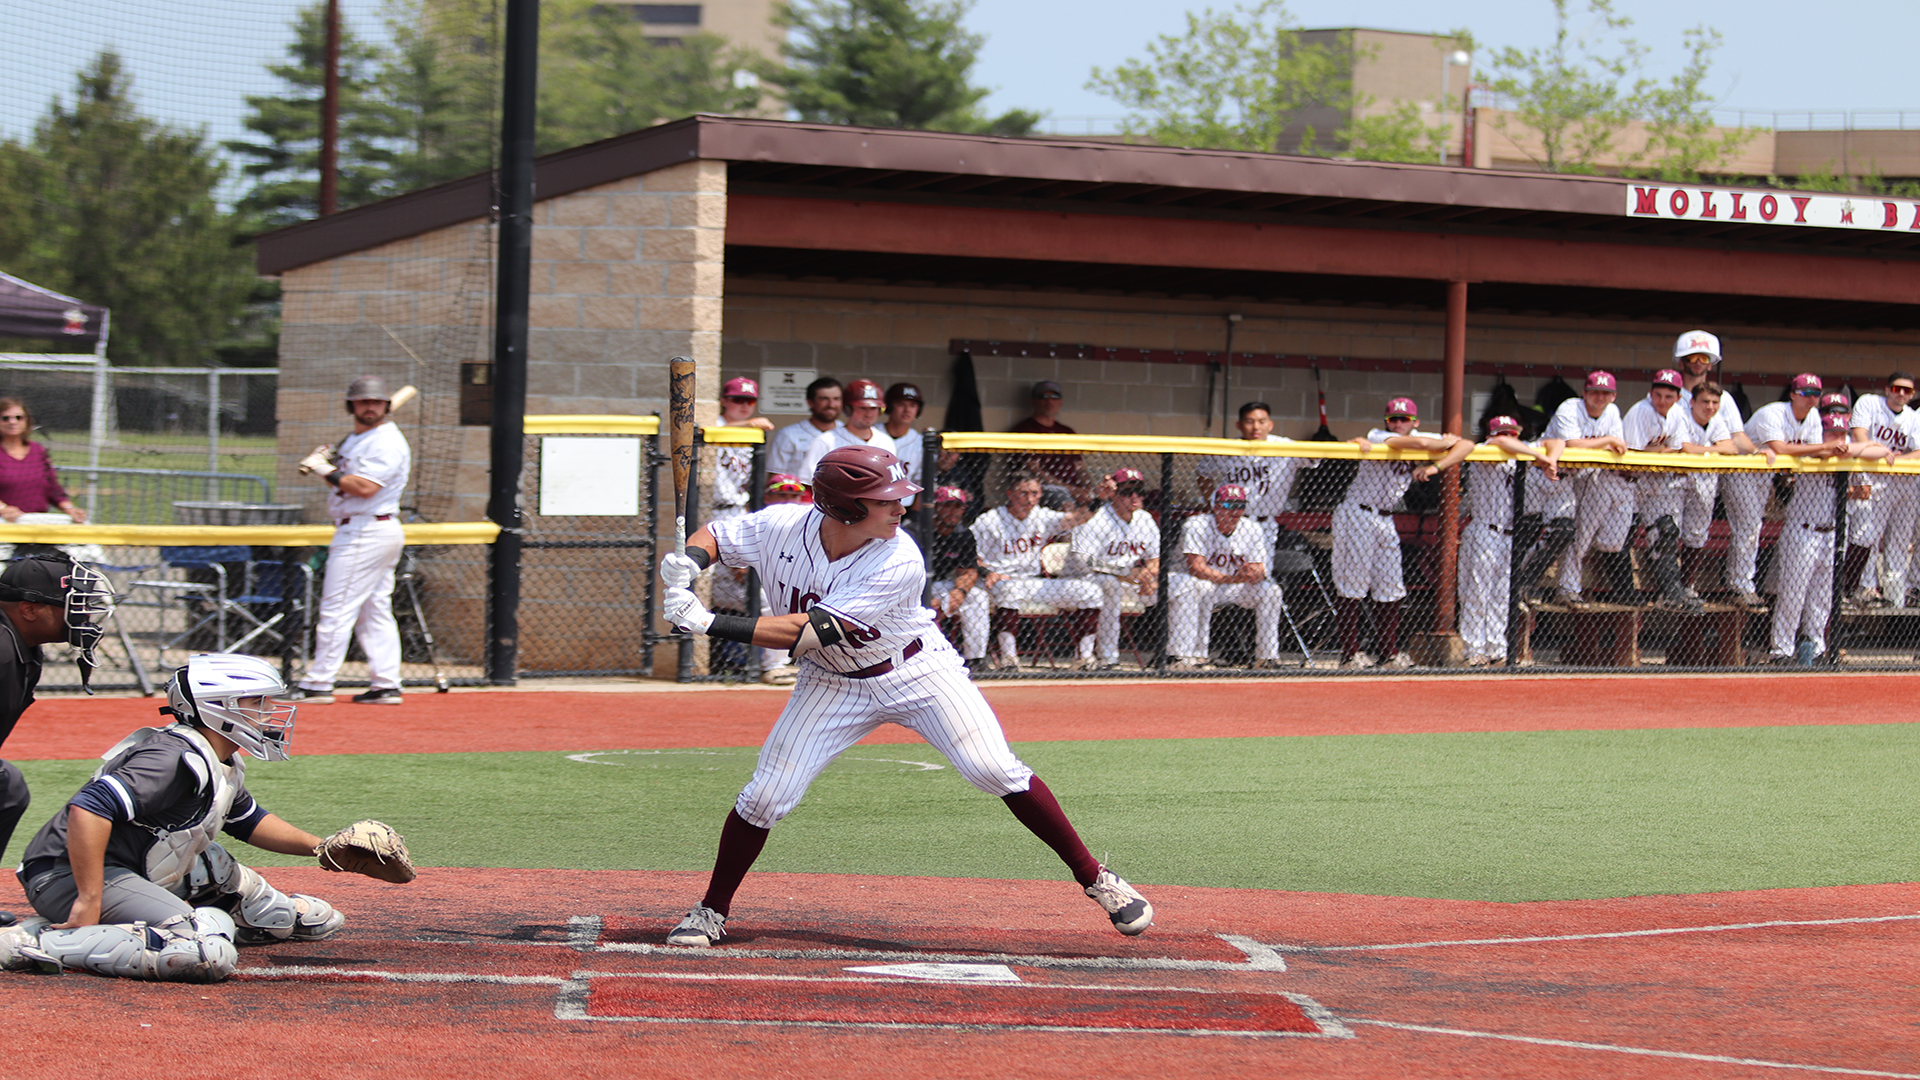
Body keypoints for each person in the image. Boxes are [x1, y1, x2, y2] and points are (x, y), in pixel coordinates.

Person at [653, 445, 1153, 946]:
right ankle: (710, 910)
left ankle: (1094, 876)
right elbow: (717, 535)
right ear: (846, 506)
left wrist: (708, 622)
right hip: (830, 683)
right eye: (884, 499)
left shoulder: (899, 558)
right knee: (765, 797)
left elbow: (809, 632)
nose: (901, 507)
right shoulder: (781, 526)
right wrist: (689, 562)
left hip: (917, 670)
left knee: (994, 769)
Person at [0, 654, 347, 982]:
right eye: (257, 701)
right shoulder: (172, 757)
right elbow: (89, 807)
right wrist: (89, 899)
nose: (270, 711)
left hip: (126, 866)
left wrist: (327, 849)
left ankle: (258, 916)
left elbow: (249, 821)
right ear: (217, 707)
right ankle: (27, 943)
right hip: (67, 875)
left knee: (229, 877)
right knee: (204, 948)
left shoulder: (214, 756)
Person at [284, 375, 412, 705]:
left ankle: (319, 682)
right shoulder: (360, 438)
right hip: (363, 527)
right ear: (351, 405)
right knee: (374, 610)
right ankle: (386, 683)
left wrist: (323, 469)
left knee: (337, 608)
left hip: (366, 530)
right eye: (362, 401)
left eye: (376, 402)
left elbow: (365, 488)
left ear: (386, 405)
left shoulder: (386, 441)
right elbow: (346, 484)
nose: (370, 406)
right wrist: (329, 467)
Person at [0, 553, 114, 915]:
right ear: (29, 609)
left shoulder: (21, 646)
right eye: (69, 605)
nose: (82, 615)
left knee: (7, 787)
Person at [1333, 397, 1474, 668]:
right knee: (1353, 584)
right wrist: (1443, 444)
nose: (1397, 424)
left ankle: (1388, 653)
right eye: (1393, 419)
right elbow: (1421, 445)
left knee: (1390, 585)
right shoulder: (1379, 435)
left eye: (1404, 420)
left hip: (1386, 518)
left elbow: (1467, 445)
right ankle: (1350, 654)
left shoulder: (1420, 436)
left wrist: (1434, 467)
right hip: (1357, 512)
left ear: (1415, 422)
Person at [1766, 414, 1889, 664]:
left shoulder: (1848, 455)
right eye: (1831, 433)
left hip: (1832, 533)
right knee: (1793, 594)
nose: (1837, 438)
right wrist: (1833, 448)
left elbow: (1878, 455)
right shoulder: (1810, 451)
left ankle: (1817, 648)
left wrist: (1854, 448)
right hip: (1803, 531)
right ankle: (1781, 651)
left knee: (1823, 597)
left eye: (1841, 433)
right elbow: (1818, 453)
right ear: (1820, 434)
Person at [970, 473, 1100, 671]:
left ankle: (1084, 656)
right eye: (1023, 493)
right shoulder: (990, 520)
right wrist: (987, 571)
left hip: (1035, 583)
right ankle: (1009, 658)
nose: (1029, 499)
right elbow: (970, 554)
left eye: (1034, 493)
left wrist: (1100, 498)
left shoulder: (1042, 515)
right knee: (1009, 590)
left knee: (1089, 591)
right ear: (1010, 494)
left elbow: (1077, 519)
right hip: (999, 582)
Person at [1459, 417, 1562, 666]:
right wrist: (1537, 456)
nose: (1509, 437)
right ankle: (1473, 650)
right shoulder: (1486, 450)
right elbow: (1501, 441)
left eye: (1514, 433)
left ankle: (1496, 648)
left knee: (1502, 595)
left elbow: (1556, 441)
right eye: (1504, 432)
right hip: (1484, 530)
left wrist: (1550, 459)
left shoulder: (1521, 453)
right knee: (1476, 593)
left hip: (1509, 536)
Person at [1674, 332, 1765, 608]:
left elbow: (1737, 437)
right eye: (1693, 357)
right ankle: (1674, 587)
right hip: (1682, 469)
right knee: (1675, 528)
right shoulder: (1672, 394)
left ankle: (1740, 583)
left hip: (1718, 467)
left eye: (1705, 358)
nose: (1699, 362)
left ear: (1711, 363)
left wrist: (1758, 453)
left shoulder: (1721, 398)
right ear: (1682, 361)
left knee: (1750, 520)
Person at [1166, 483, 1285, 670]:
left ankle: (1267, 657)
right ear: (1216, 507)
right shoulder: (1197, 525)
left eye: (1240, 505)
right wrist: (1231, 578)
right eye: (1229, 505)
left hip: (1233, 585)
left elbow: (1260, 569)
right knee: (1202, 587)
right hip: (1193, 583)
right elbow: (1196, 568)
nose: (1235, 511)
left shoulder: (1252, 528)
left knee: (1271, 591)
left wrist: (1252, 573)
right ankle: (1194, 656)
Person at [709, 378, 777, 680]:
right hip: (709, 513)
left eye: (749, 401)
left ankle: (772, 667)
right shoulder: (715, 424)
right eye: (737, 400)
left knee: (763, 598)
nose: (744, 405)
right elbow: (700, 435)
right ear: (724, 400)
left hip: (739, 514)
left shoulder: (752, 438)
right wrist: (748, 426)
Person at [1544, 372, 1631, 609]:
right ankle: (1527, 585)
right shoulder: (1570, 408)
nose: (1599, 397)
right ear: (1584, 393)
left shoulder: (1612, 413)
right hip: (1548, 478)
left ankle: (1567, 588)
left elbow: (1618, 449)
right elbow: (1572, 444)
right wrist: (1606, 440)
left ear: (1613, 396)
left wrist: (1608, 442)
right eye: (1594, 392)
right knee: (1547, 532)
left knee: (1577, 535)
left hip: (1583, 478)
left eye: (1605, 393)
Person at [1064, 467, 1161, 670]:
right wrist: (1127, 574)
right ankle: (1108, 657)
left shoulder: (1145, 518)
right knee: (1110, 584)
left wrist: (1149, 577)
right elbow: (1086, 563)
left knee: (1184, 585)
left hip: (1129, 581)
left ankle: (1180, 655)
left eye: (1139, 491)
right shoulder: (1095, 518)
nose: (1134, 497)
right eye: (1127, 492)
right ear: (1113, 494)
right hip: (1084, 580)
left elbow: (1155, 559)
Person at [1194, 401, 1320, 555]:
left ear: (1270, 425)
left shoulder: (1284, 446)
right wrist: (1212, 504)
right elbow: (1203, 473)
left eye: (1262, 422)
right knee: (1227, 568)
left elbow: (1314, 456)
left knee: (1259, 572)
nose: (1256, 427)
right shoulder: (1228, 448)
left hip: (1264, 522)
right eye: (1249, 422)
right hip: (1230, 520)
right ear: (1239, 425)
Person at [1621, 369, 1701, 611]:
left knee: (1667, 531)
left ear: (1678, 397)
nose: (1662, 401)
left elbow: (1678, 450)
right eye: (1658, 395)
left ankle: (1671, 594)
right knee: (1622, 536)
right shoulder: (1640, 411)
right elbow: (1634, 455)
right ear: (1650, 393)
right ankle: (1623, 592)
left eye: (1668, 396)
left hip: (1656, 482)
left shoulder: (1677, 414)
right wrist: (1661, 452)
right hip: (1626, 482)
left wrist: (1659, 452)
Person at [1842, 374, 1920, 609]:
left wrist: (1897, 460)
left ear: (1912, 394)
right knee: (1867, 536)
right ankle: (1864, 589)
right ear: (1887, 389)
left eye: (1907, 391)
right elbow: (1859, 436)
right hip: (1870, 477)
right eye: (1897, 388)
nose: (1902, 394)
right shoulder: (1869, 402)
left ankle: (1895, 596)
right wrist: (1880, 452)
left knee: (1899, 540)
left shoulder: (1913, 417)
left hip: (1902, 481)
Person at [1670, 382, 1741, 596]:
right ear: (1692, 402)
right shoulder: (1680, 416)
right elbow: (1687, 449)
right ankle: (1669, 588)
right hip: (1676, 482)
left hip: (1705, 483)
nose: (1710, 406)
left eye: (1714, 402)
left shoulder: (1716, 420)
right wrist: (1714, 450)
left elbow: (1732, 448)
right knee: (1669, 532)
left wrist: (1706, 451)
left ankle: (1686, 586)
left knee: (1697, 533)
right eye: (1705, 401)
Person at [915, 485, 987, 666]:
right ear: (935, 507)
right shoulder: (918, 532)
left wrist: (960, 592)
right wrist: (925, 596)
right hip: (916, 587)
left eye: (958, 507)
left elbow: (969, 570)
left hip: (942, 584)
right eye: (947, 506)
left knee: (978, 596)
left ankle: (975, 658)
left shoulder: (963, 534)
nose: (953, 512)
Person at [0, 398, 87, 524]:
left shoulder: (37, 450)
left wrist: (69, 508)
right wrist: (4, 509)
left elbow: (52, 487)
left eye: (19, 418)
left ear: (27, 421)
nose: (13, 422)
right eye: (5, 418)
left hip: (36, 524)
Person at [800, 378, 897, 482]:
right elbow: (807, 480)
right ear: (848, 409)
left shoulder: (886, 441)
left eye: (873, 408)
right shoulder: (826, 441)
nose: (869, 414)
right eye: (862, 408)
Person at [1010, 380, 1089, 506]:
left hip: (1076, 489)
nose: (1049, 401)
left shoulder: (1067, 432)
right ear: (1033, 401)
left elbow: (1080, 467)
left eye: (1054, 397)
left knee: (1100, 500)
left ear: (1061, 401)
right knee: (1065, 502)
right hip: (1047, 488)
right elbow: (1035, 470)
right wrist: (1073, 490)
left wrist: (1089, 488)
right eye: (1043, 397)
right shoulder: (1026, 429)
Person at [765, 378, 841, 479]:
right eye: (824, 399)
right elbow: (775, 478)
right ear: (810, 402)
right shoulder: (788, 435)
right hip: (801, 492)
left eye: (836, 399)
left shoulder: (848, 433)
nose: (831, 404)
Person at [883, 382, 927, 508]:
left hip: (904, 506)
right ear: (889, 406)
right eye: (900, 404)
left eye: (912, 405)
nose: (907, 410)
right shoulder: (872, 435)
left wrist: (914, 515)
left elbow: (922, 483)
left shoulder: (920, 442)